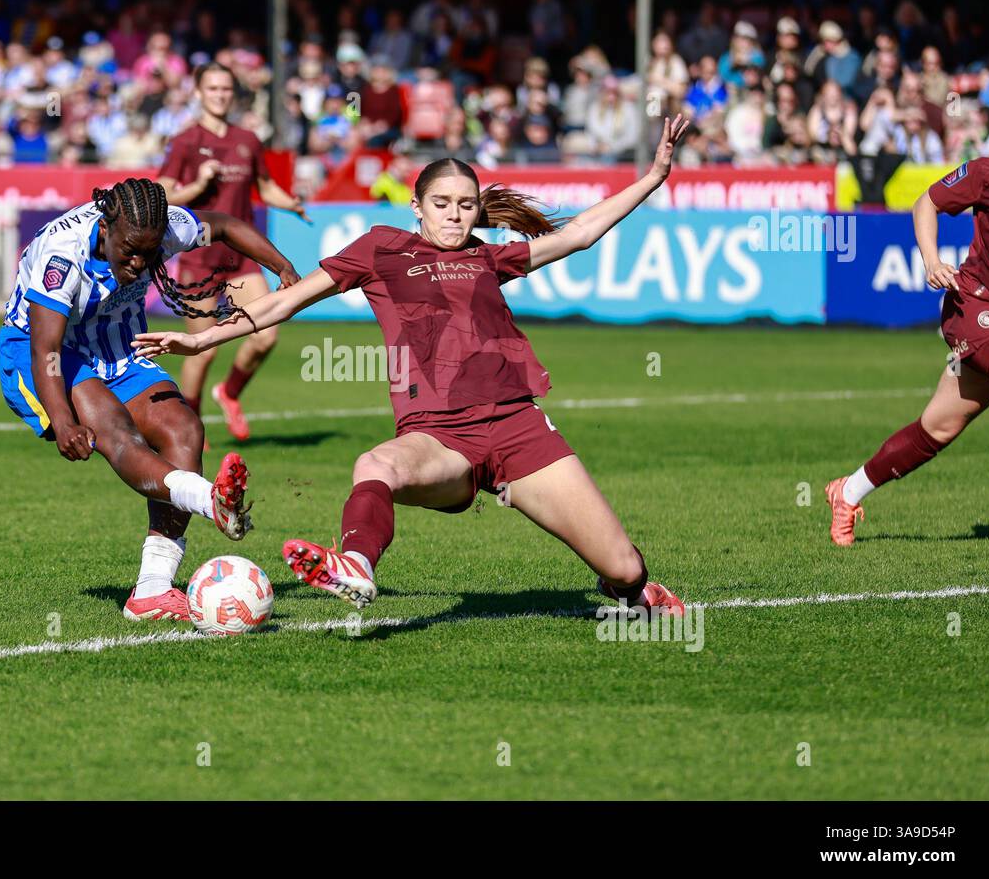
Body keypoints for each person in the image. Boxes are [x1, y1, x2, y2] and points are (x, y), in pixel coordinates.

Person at [135, 119, 693, 615]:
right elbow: (285, 301)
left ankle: (632, 592)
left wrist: (652, 178)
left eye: (466, 204)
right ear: (417, 206)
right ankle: (355, 566)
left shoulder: (488, 256)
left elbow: (578, 234)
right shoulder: (381, 249)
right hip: (440, 437)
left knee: (624, 568)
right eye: (443, 203)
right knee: (377, 464)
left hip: (521, 430)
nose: (455, 214)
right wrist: (202, 338)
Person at [0, 177, 295, 620]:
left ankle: (152, 591)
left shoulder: (159, 226)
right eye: (130, 250)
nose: (139, 262)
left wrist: (284, 268)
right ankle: (211, 500)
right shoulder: (62, 254)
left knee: (185, 428)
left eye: (150, 252)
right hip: (41, 355)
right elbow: (47, 350)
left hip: (118, 347)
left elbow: (228, 225)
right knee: (116, 431)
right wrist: (62, 421)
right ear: (106, 228)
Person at [825, 156, 989, 545]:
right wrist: (931, 260)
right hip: (974, 307)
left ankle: (848, 492)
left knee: (938, 427)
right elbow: (927, 202)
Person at [157, 62, 306, 443]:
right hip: (199, 255)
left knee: (266, 335)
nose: (220, 95)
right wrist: (198, 184)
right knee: (202, 351)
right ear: (198, 93)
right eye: (213, 88)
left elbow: (265, 187)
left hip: (240, 255)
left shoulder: (248, 140)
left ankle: (230, 393)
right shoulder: (186, 141)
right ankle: (189, 422)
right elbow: (164, 194)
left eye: (226, 89)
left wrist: (292, 203)